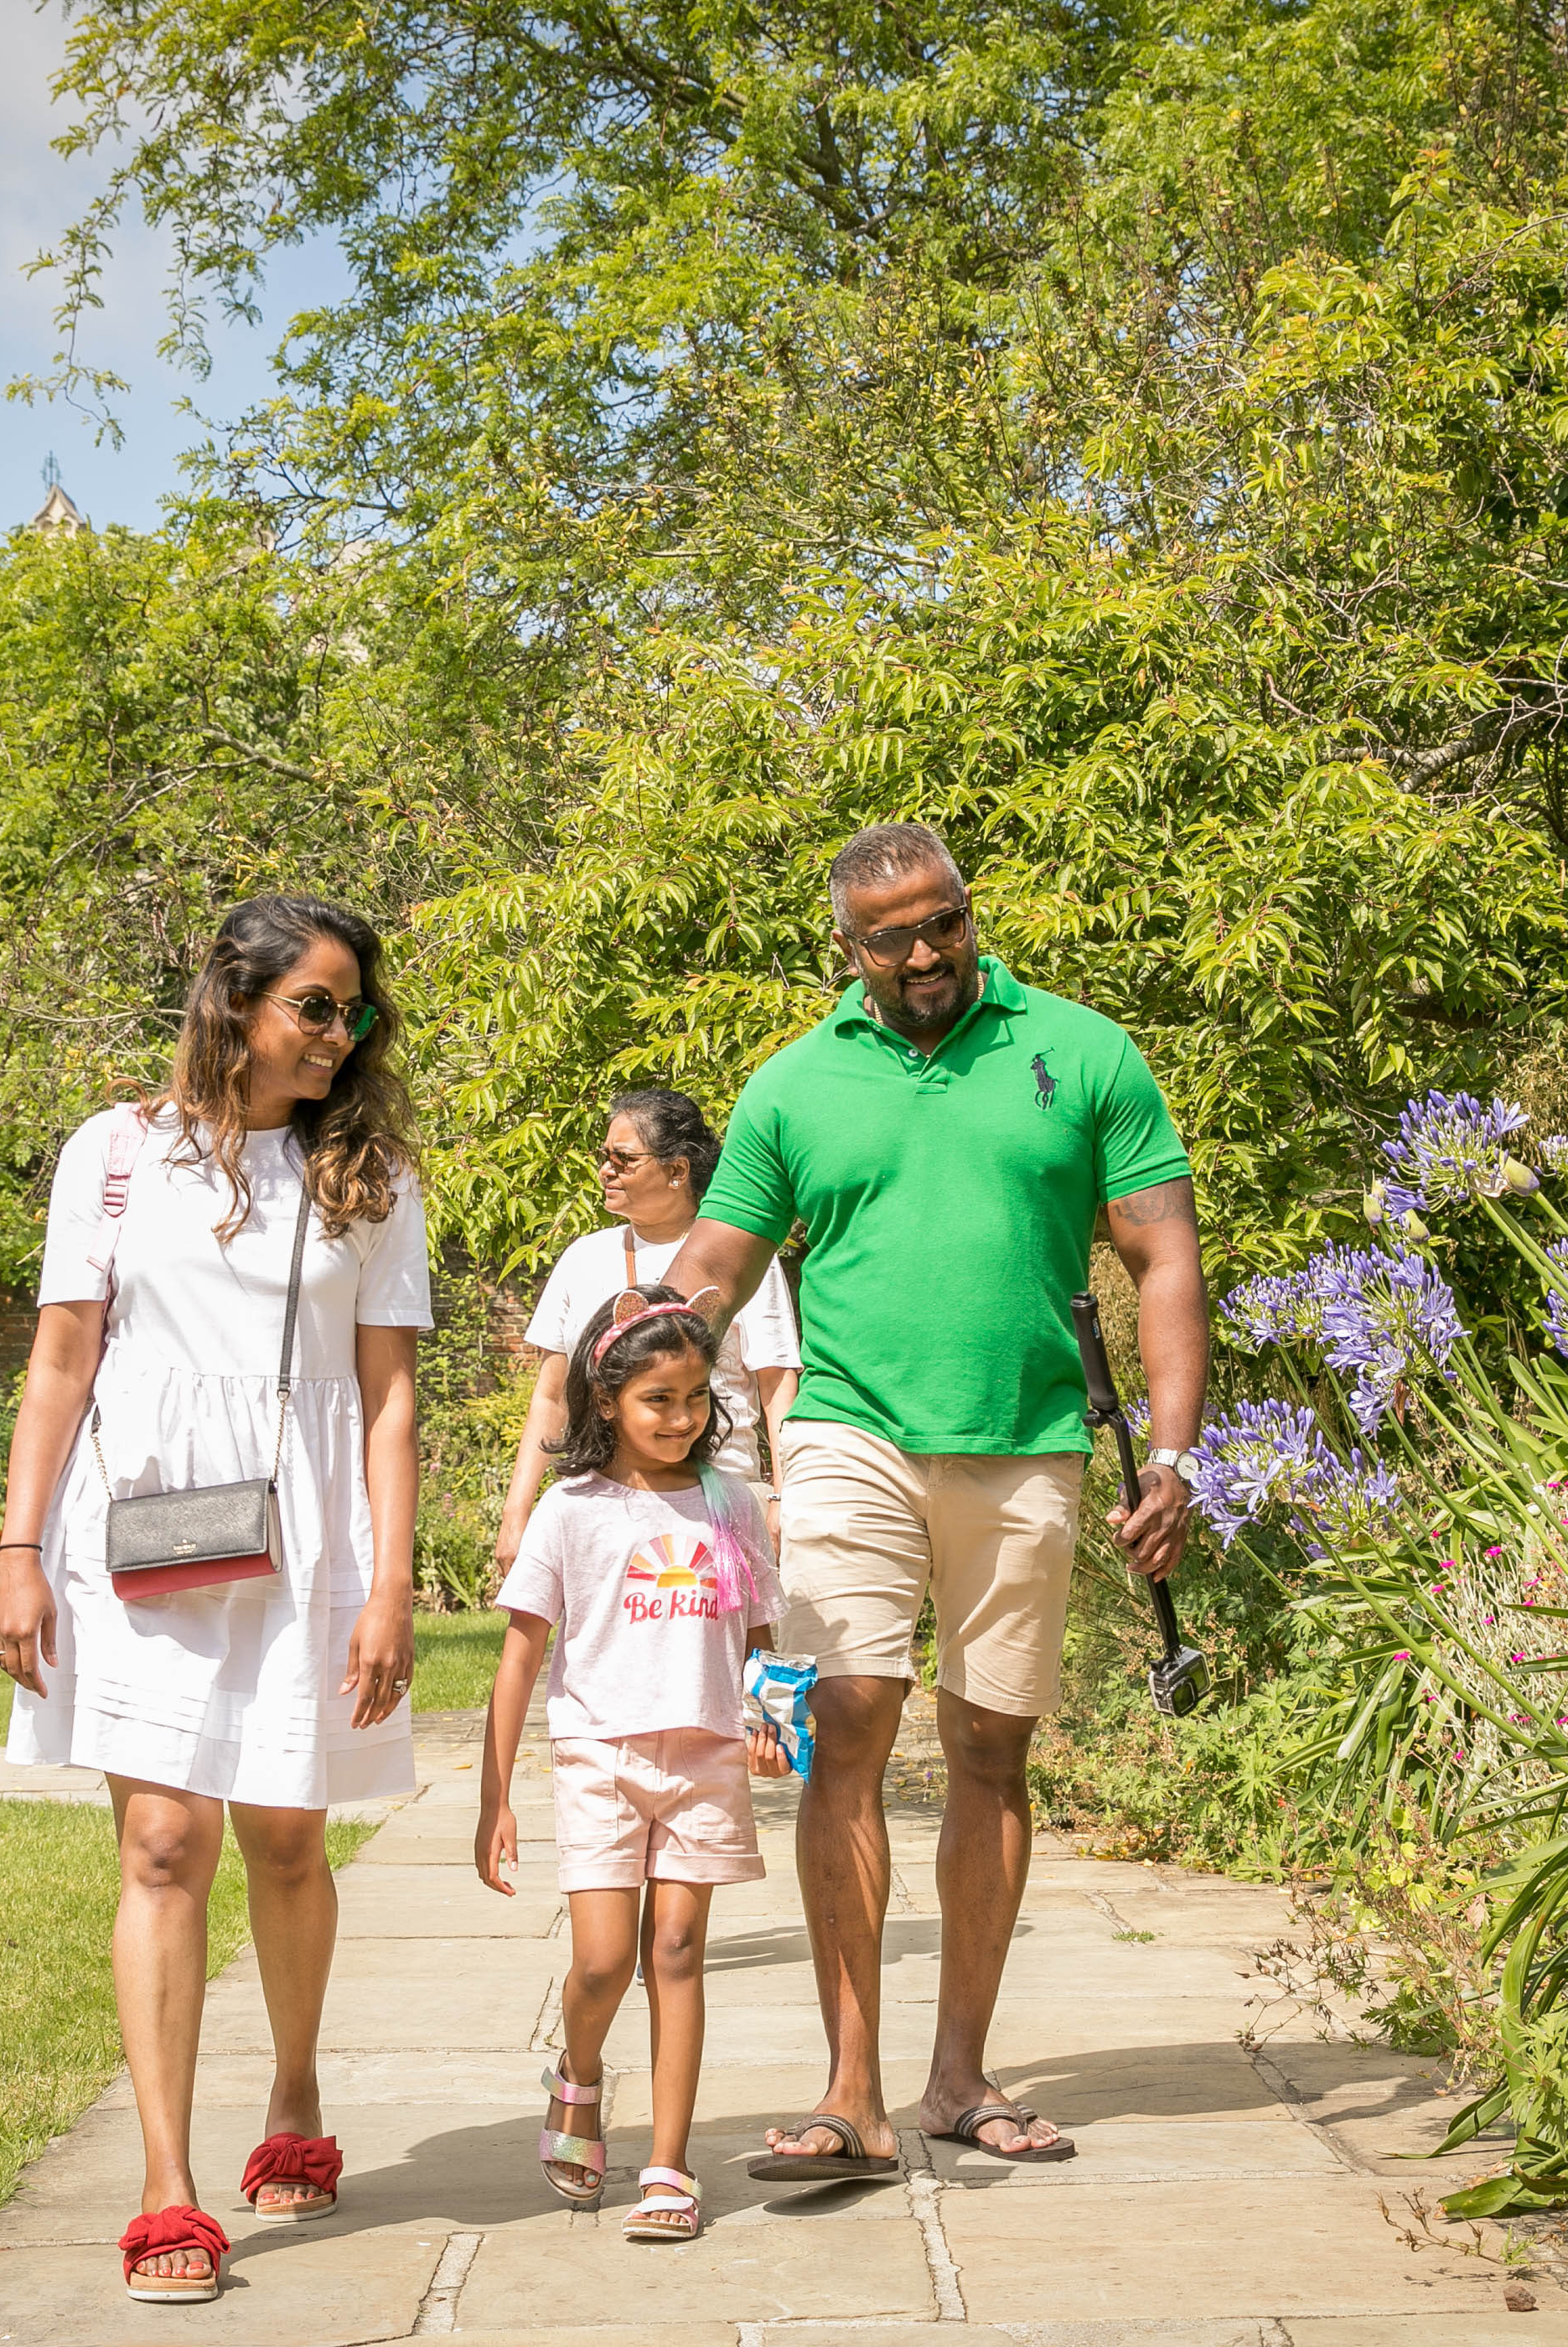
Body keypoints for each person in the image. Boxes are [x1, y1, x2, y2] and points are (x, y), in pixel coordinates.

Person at [660, 821, 1208, 2177]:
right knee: (846, 1724)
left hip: (1031, 1444)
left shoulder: (1082, 1053)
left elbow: (1166, 1252)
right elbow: (716, 1264)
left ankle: (958, 2076)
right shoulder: (794, 1085)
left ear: (970, 912)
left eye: (942, 923)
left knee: (989, 1750)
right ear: (845, 948)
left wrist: (1180, 1455)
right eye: (890, 935)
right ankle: (852, 2093)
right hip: (848, 1433)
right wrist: (645, 1362)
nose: (922, 953)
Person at [0, 895, 432, 2308]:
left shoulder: (369, 1173)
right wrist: (13, 1550)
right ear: (233, 1000)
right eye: (315, 1004)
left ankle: (293, 2090)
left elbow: (389, 1397)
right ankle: (168, 2190)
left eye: (354, 1011)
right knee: (165, 1844)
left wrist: (392, 1584)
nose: (338, 1033)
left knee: (288, 1844)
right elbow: (60, 1362)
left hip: (306, 1536)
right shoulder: (114, 1157)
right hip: (136, 1540)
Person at [475, 1283, 789, 2244]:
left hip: (705, 1756)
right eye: (660, 1400)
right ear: (606, 1398)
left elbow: (762, 1632)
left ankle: (668, 2161)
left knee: (679, 1952)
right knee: (604, 1960)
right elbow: (522, 1654)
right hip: (599, 1755)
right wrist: (494, 1798)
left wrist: (770, 1716)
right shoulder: (570, 1509)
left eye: (697, 1397)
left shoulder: (734, 1501)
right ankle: (577, 2077)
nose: (683, 1417)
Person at [494, 1089, 800, 1573]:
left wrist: (785, 1500)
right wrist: (517, 1512)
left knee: (732, 1645)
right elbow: (551, 1397)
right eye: (604, 1158)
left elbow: (777, 1385)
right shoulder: (583, 1258)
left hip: (719, 1499)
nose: (605, 1171)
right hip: (606, 1500)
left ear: (677, 1171)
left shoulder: (741, 1260)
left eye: (624, 1159)